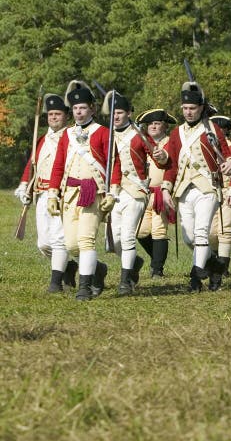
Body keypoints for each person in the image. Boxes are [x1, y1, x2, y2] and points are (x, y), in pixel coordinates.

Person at [161, 80, 231, 292]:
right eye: (185, 108)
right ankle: (214, 265)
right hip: (184, 187)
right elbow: (172, 164)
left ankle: (195, 278)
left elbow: (227, 153)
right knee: (190, 236)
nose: (188, 112)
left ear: (201, 108)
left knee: (201, 232)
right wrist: (166, 188)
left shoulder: (212, 129)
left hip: (208, 186)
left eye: (192, 108)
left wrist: (230, 162)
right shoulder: (176, 133)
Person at [47, 81, 120, 300]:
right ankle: (98, 269)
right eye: (76, 109)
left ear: (92, 109)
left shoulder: (103, 133)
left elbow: (114, 164)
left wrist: (112, 193)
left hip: (93, 191)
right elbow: (58, 165)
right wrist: (53, 193)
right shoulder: (67, 135)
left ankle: (84, 287)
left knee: (86, 240)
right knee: (71, 244)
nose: (78, 112)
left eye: (83, 108)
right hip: (69, 193)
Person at [14, 93, 77, 292]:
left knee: (58, 239)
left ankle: (55, 283)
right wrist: (25, 185)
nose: (54, 117)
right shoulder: (40, 139)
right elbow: (32, 165)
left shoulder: (73, 137)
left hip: (62, 194)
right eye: (50, 114)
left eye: (58, 114)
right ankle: (73, 266)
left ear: (66, 115)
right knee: (43, 244)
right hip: (41, 194)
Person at [106, 90, 159, 295]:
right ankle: (133, 263)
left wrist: (160, 155)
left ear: (128, 113)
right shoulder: (105, 134)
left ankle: (125, 281)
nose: (116, 117)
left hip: (135, 190)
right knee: (116, 240)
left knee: (127, 236)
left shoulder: (139, 135)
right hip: (113, 191)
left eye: (119, 112)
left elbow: (160, 159)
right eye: (113, 113)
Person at [135, 108, 177, 277]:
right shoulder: (141, 142)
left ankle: (157, 269)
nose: (153, 126)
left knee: (159, 230)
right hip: (143, 192)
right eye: (150, 123)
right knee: (140, 231)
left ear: (165, 126)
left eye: (157, 123)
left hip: (161, 191)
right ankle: (157, 259)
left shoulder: (171, 143)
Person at [208, 114, 231, 278]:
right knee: (211, 232)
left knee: (224, 229)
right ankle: (215, 261)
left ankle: (223, 267)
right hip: (212, 191)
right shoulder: (208, 146)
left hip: (229, 191)